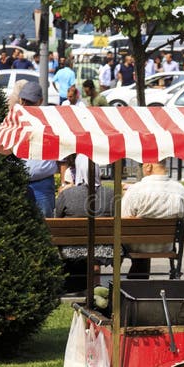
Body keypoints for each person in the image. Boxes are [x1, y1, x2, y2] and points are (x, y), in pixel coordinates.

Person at [121, 160, 184, 278]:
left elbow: (123, 219)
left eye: (142, 165)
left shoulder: (135, 190)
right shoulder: (181, 190)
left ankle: (137, 277)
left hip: (136, 246)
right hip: (167, 245)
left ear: (148, 166)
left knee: (136, 238)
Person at [54, 154, 115, 281]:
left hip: (71, 248)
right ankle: (96, 284)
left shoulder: (67, 194)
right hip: (105, 250)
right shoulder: (111, 194)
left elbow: (57, 218)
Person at [19, 80, 58, 216]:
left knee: (45, 223)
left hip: (43, 184)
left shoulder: (50, 122)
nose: (25, 105)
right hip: (21, 182)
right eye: (24, 101)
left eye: (30, 102)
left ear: (40, 101)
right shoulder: (15, 121)